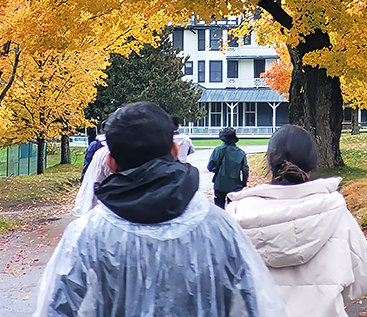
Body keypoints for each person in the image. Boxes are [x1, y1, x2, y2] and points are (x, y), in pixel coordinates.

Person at [33, 101, 286, 317]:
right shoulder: (221, 228)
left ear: (110, 162)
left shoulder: (86, 236)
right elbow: (259, 305)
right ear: (175, 151)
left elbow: (54, 307)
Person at [227, 124, 367, 317]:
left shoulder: (237, 215)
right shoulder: (335, 212)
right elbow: (364, 278)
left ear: (270, 162)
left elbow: (220, 283)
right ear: (312, 163)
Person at [208, 126, 249, 208]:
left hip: (220, 184)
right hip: (235, 185)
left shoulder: (218, 150)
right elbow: (245, 170)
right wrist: (243, 183)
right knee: (233, 209)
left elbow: (210, 166)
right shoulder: (240, 153)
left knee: (219, 209)